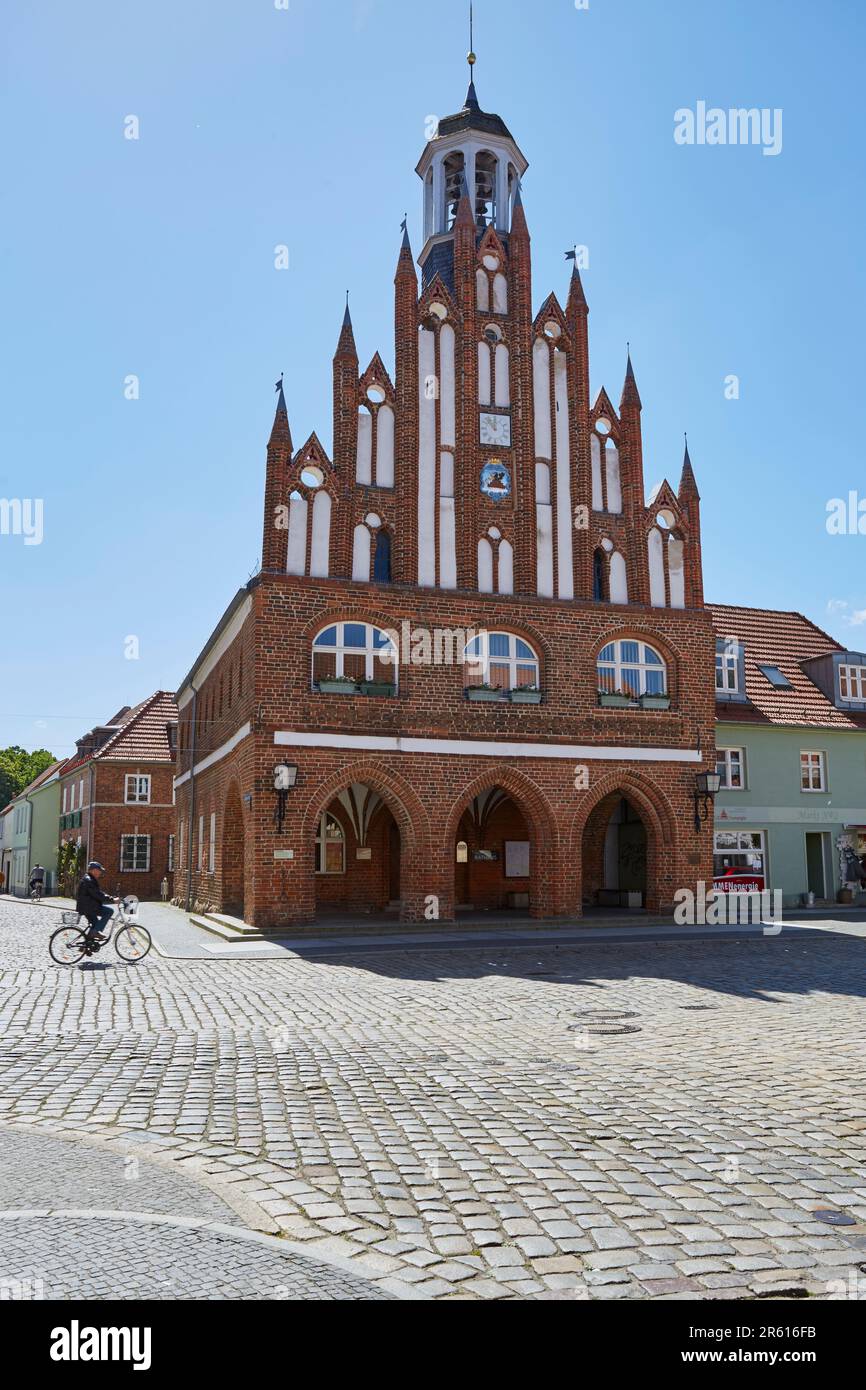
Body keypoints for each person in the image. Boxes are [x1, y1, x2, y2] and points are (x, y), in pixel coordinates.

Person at [76, 861, 116, 944]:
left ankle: (86, 947)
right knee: (109, 911)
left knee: (95, 925)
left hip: (87, 907)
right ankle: (95, 933)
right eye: (99, 870)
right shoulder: (89, 880)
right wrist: (112, 900)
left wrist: (110, 897)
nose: (100, 873)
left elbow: (98, 892)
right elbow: (97, 894)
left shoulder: (88, 879)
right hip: (89, 907)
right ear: (94, 870)